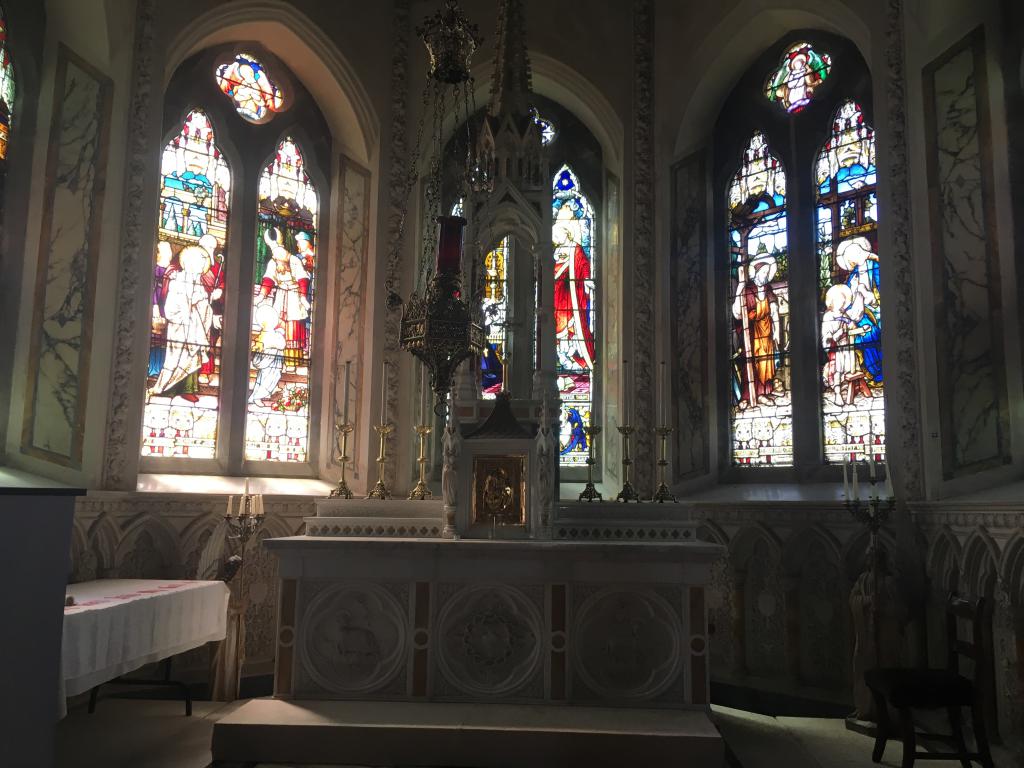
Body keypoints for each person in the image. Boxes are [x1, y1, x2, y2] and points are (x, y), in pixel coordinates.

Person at [149, 244, 214, 403]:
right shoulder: (177, 280)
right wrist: (187, 312)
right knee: (176, 358)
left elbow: (205, 307)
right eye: (199, 262)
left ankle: (188, 389)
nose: (201, 267)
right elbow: (171, 306)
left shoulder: (198, 283)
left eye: (202, 263)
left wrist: (203, 303)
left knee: (194, 358)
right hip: (180, 327)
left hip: (196, 327)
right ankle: (168, 389)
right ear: (189, 263)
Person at [732, 249, 782, 407]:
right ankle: (750, 395)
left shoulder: (768, 290)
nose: (766, 275)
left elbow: (774, 311)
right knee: (752, 364)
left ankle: (765, 392)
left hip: (767, 333)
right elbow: (738, 313)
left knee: (767, 363)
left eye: (768, 272)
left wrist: (777, 331)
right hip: (752, 334)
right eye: (764, 271)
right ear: (757, 271)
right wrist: (740, 287)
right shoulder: (748, 290)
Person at [257, 227, 311, 368]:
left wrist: (303, 298)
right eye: (276, 260)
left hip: (294, 295)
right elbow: (268, 279)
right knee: (277, 323)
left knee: (293, 327)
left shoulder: (294, 260)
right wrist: (261, 296)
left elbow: (302, 279)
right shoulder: (273, 262)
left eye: (281, 261)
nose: (279, 264)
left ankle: (292, 362)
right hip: (281, 295)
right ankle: (275, 360)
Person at [553, 206, 596, 371]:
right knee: (558, 326)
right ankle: (563, 359)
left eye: (561, 233)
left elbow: (584, 265)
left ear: (567, 232)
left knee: (571, 326)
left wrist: (586, 279)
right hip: (557, 295)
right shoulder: (557, 250)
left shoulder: (576, 248)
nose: (558, 237)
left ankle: (571, 358)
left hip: (572, 295)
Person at [837, 237, 882, 383]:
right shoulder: (853, 275)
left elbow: (884, 290)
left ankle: (880, 372)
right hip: (861, 313)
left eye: (856, 252)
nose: (854, 257)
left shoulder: (874, 266)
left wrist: (871, 299)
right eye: (850, 256)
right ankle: (872, 371)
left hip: (879, 310)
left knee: (871, 333)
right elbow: (848, 298)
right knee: (862, 333)